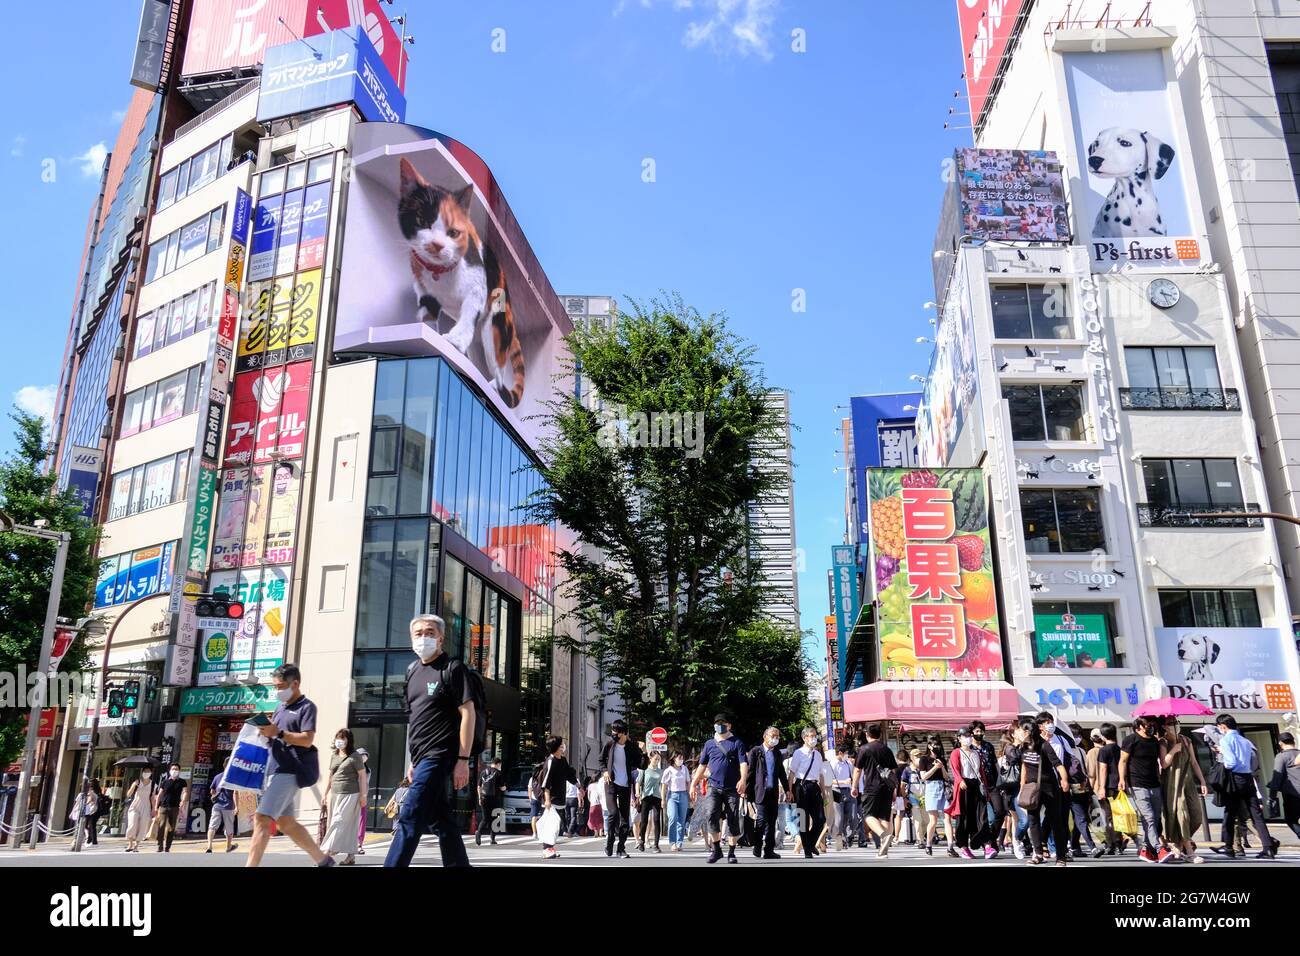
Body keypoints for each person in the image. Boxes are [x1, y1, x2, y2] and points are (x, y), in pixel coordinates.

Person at [384, 615, 475, 868]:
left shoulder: (452, 668)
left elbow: (469, 713)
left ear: (441, 637)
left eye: (430, 632)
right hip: (422, 758)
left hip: (441, 754)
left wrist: (463, 759)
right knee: (441, 821)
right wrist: (413, 761)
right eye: (418, 633)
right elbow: (416, 720)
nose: (424, 637)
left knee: (410, 814)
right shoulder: (412, 670)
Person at [247, 664, 333, 868]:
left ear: (295, 683)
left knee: (262, 818)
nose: (278, 691)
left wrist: (279, 733)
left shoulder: (306, 707)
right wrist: (266, 732)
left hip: (290, 770)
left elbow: (307, 739)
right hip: (275, 769)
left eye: (281, 686)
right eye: (275, 687)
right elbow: (276, 735)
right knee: (286, 823)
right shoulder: (280, 708)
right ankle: (323, 860)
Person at [1213, 714, 1276, 859]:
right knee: (1256, 815)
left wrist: (1222, 752)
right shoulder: (1244, 740)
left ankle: (1228, 847)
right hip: (1248, 777)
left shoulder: (1226, 740)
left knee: (1230, 813)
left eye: (1219, 727)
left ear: (1223, 726)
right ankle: (1268, 848)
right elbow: (1252, 759)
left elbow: (1231, 762)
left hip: (1235, 778)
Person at [1039, 715, 1102, 859]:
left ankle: (1060, 850)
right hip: (1044, 784)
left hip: (1062, 783)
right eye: (1047, 723)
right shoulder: (1037, 741)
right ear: (1040, 726)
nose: (1050, 725)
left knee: (1060, 817)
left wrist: (1077, 777)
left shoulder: (1061, 739)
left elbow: (1072, 759)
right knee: (1047, 816)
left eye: (1051, 722)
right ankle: (1041, 844)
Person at [692, 713, 749, 864]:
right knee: (711, 814)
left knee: (732, 819)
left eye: (723, 722)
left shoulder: (737, 743)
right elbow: (702, 765)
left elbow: (744, 763)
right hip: (713, 786)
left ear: (729, 725)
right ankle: (716, 850)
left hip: (732, 787)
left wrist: (743, 779)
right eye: (717, 723)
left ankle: (731, 852)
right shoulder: (709, 744)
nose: (720, 725)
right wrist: (693, 783)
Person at [1118, 716, 1173, 864]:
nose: (1150, 727)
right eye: (1147, 725)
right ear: (1138, 727)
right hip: (1137, 784)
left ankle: (1146, 850)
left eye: (1152, 724)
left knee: (1154, 819)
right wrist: (1122, 780)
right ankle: (1159, 848)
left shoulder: (1154, 741)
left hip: (1154, 784)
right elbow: (1123, 761)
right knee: (1148, 817)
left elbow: (1158, 763)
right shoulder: (1131, 740)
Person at [1021, 717, 1070, 866]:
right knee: (1033, 821)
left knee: (1056, 821)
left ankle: (1061, 857)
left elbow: (1059, 765)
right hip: (1031, 789)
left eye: (1021, 729)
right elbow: (1024, 765)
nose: (1017, 732)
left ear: (1028, 731)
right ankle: (1038, 854)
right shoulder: (1023, 746)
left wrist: (1064, 780)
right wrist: (1022, 786)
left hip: (1049, 788)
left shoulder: (1044, 746)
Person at [1160, 718, 1207, 863]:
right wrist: (1173, 750)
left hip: (1188, 783)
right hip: (1172, 784)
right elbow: (1164, 764)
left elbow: (1194, 761)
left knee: (1197, 816)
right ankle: (1190, 851)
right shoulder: (1163, 742)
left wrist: (1203, 781)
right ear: (1164, 726)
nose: (1174, 726)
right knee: (1181, 814)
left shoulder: (1186, 740)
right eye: (1170, 723)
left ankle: (1178, 843)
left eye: (1175, 722)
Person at [850, 723, 897, 858]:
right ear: (880, 734)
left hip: (872, 787)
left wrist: (854, 786)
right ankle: (884, 850)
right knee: (884, 816)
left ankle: (884, 835)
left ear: (867, 735)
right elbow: (893, 770)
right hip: (887, 787)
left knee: (867, 814)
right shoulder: (887, 749)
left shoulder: (864, 749)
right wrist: (894, 789)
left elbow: (858, 769)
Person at [947, 725, 994, 859]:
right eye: (964, 736)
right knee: (964, 818)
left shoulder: (976, 753)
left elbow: (981, 772)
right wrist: (960, 780)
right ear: (959, 738)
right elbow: (955, 769)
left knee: (981, 815)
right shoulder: (956, 752)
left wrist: (985, 787)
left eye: (969, 735)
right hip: (963, 786)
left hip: (976, 785)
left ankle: (987, 846)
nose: (968, 738)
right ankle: (963, 847)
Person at [321, 728, 367, 865]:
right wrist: (324, 794)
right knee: (343, 824)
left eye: (343, 738)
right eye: (338, 738)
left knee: (338, 821)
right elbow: (330, 776)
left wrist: (363, 794)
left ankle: (325, 853)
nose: (339, 741)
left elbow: (362, 776)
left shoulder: (355, 756)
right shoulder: (334, 755)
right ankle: (351, 856)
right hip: (335, 794)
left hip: (351, 794)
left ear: (349, 740)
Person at [600, 719, 642, 859]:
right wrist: (605, 770)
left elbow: (640, 763)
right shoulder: (610, 744)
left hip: (625, 785)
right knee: (613, 813)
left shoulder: (631, 746)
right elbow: (601, 760)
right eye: (612, 731)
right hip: (611, 783)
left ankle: (621, 848)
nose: (613, 733)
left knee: (625, 818)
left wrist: (644, 752)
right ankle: (609, 841)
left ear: (623, 733)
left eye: (615, 731)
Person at [746, 727, 789, 860]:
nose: (775, 738)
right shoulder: (756, 751)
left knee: (771, 822)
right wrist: (747, 792)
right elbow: (751, 772)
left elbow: (781, 772)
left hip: (773, 792)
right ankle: (757, 845)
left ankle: (769, 850)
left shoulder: (777, 753)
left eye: (777, 736)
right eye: (773, 735)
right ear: (765, 736)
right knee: (761, 820)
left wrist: (787, 789)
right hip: (759, 792)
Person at [537, 736, 578, 859]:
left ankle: (550, 848)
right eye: (561, 744)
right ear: (555, 747)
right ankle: (547, 849)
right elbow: (546, 782)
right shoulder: (551, 761)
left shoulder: (562, 760)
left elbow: (569, 775)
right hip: (551, 798)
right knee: (552, 824)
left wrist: (578, 786)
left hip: (560, 798)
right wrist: (547, 799)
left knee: (555, 825)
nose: (563, 746)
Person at [788, 727, 825, 859]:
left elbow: (820, 774)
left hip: (814, 787)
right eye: (810, 736)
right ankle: (807, 850)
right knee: (803, 820)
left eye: (815, 735)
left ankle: (809, 843)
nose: (813, 738)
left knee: (820, 819)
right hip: (801, 787)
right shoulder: (799, 753)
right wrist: (789, 791)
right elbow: (792, 773)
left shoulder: (818, 754)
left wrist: (823, 791)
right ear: (804, 738)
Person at [1092, 723, 1125, 854]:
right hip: (1119, 785)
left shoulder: (1103, 750)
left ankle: (1113, 845)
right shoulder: (1119, 749)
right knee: (1118, 815)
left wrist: (1101, 788)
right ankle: (1118, 844)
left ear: (1103, 736)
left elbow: (1103, 768)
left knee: (1109, 817)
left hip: (1108, 786)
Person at [970, 721, 1005, 845]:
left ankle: (991, 838)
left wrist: (1000, 781)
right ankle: (988, 843)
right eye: (977, 731)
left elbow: (995, 763)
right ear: (972, 733)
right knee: (985, 817)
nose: (979, 733)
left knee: (1000, 811)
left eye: (981, 731)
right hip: (977, 786)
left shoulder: (988, 746)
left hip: (992, 784)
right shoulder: (968, 748)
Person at [919, 739, 953, 857]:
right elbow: (923, 777)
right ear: (929, 746)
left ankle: (950, 846)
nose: (936, 746)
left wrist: (941, 766)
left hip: (943, 788)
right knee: (933, 820)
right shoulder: (924, 759)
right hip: (931, 788)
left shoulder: (941, 758)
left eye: (938, 744)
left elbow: (947, 777)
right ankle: (928, 844)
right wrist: (934, 768)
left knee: (947, 819)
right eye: (934, 744)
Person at [1268, 732, 1300, 840]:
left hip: (1293, 794)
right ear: (1293, 742)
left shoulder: (1281, 757)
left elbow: (1277, 777)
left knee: (1291, 820)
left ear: (1280, 743)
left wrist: (1272, 796)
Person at [205, 758, 238, 854]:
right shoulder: (233, 778)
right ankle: (228, 847)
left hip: (217, 805)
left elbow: (212, 791)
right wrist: (237, 807)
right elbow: (235, 793)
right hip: (228, 806)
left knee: (212, 826)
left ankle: (209, 846)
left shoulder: (217, 777)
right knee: (229, 827)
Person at [636, 750, 665, 852]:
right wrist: (637, 794)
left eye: (658, 759)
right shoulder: (644, 770)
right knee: (644, 822)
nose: (657, 761)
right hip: (646, 797)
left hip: (657, 797)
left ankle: (656, 845)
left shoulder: (661, 771)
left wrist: (663, 799)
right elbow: (638, 783)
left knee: (657, 820)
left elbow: (662, 786)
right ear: (650, 759)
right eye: (655, 759)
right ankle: (642, 842)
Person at [155, 765, 188, 853]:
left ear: (179, 771)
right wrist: (156, 807)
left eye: (176, 769)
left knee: (172, 827)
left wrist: (183, 800)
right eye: (173, 769)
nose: (174, 770)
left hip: (174, 807)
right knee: (161, 826)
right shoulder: (165, 781)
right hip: (163, 806)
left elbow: (185, 791)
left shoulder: (182, 782)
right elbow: (160, 794)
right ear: (170, 770)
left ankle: (168, 846)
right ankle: (160, 845)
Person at [123, 767, 157, 852]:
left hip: (146, 806)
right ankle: (130, 843)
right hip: (135, 805)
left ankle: (136, 846)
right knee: (132, 824)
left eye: (148, 771)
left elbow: (153, 797)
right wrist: (134, 785)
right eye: (145, 771)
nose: (146, 773)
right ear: (142, 772)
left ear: (151, 773)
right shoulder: (137, 782)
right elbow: (128, 794)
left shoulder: (153, 785)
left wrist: (154, 809)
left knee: (143, 826)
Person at [663, 751, 691, 850]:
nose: (681, 760)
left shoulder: (685, 769)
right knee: (673, 818)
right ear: (674, 759)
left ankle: (679, 842)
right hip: (672, 796)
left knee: (681, 820)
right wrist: (663, 799)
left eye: (682, 758)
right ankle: (672, 842)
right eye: (679, 758)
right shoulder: (669, 770)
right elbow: (664, 785)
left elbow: (688, 782)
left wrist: (689, 795)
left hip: (683, 794)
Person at [476, 756, 505, 845]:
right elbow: (502, 787)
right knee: (495, 819)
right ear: (498, 764)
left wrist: (480, 797)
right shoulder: (499, 773)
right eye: (500, 764)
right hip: (495, 799)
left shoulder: (483, 772)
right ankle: (492, 839)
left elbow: (479, 786)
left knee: (485, 818)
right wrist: (505, 788)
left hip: (484, 798)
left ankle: (479, 833)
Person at [830, 747, 855, 849]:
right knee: (839, 818)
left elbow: (853, 776)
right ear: (840, 753)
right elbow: (830, 780)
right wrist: (843, 782)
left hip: (849, 791)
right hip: (836, 790)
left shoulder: (848, 764)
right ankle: (840, 841)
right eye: (845, 753)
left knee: (852, 817)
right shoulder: (833, 764)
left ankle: (848, 836)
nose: (847, 756)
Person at [355, 748, 370, 855]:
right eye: (361, 755)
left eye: (365, 755)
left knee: (362, 821)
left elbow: (367, 784)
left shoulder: (368, 770)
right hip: (353, 797)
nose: (363, 757)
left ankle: (359, 844)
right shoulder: (353, 768)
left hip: (363, 797)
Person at [565, 768, 584, 837]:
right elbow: (578, 792)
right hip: (573, 799)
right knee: (573, 816)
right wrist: (579, 801)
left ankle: (568, 830)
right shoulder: (576, 780)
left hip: (566, 799)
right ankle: (570, 830)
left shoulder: (566, 780)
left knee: (567, 815)